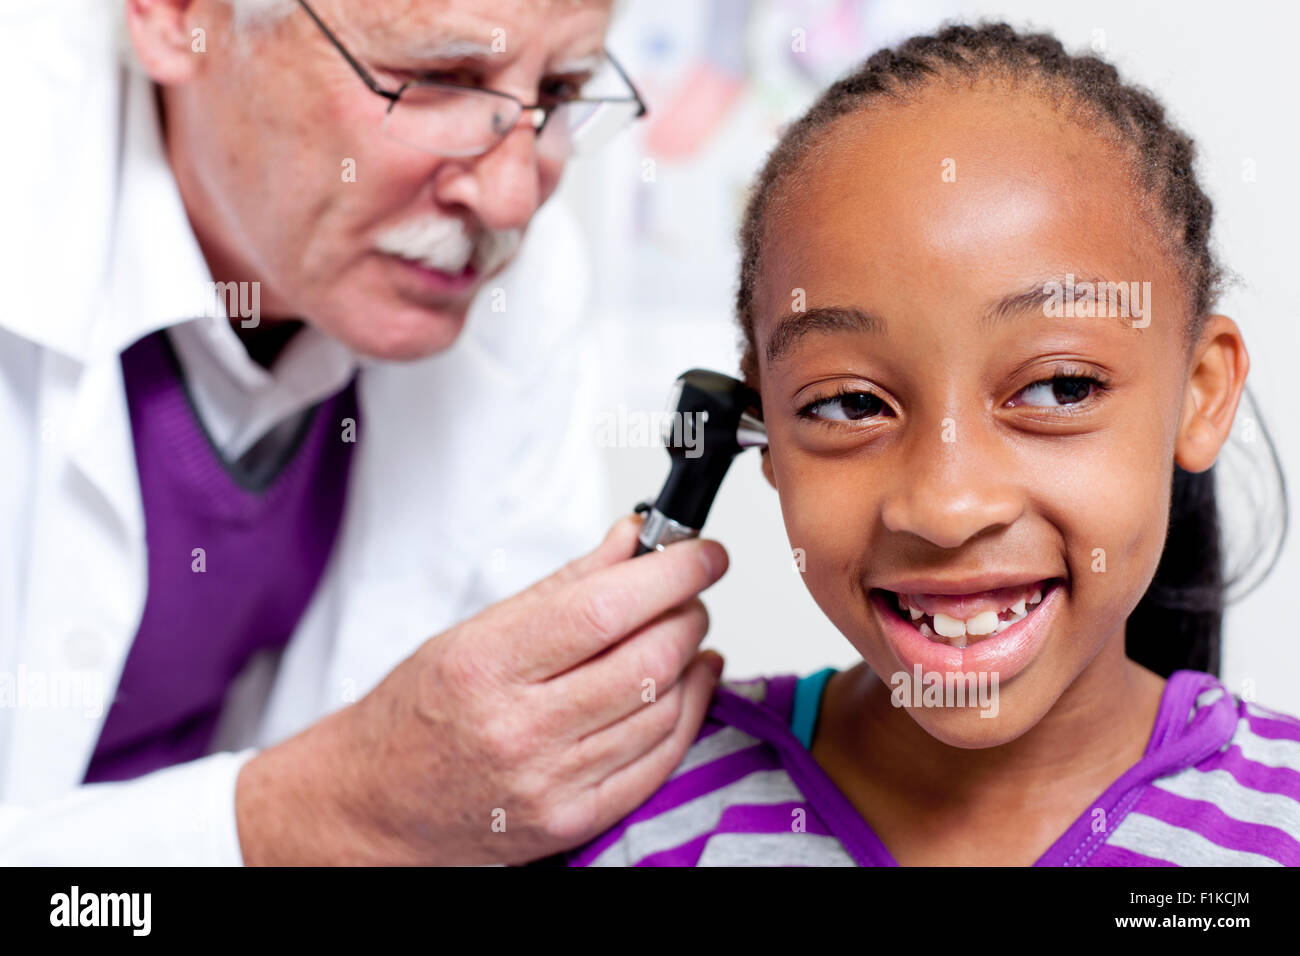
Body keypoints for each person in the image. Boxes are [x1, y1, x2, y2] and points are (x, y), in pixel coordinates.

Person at [0, 0, 730, 865]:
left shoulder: (518, 288)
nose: (510, 198)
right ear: (176, 20)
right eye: (439, 81)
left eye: (563, 91)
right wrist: (311, 816)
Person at [564, 22, 1299, 866]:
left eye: (1060, 388)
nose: (946, 507)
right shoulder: (632, 811)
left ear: (1200, 395)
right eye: (847, 404)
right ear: (763, 424)